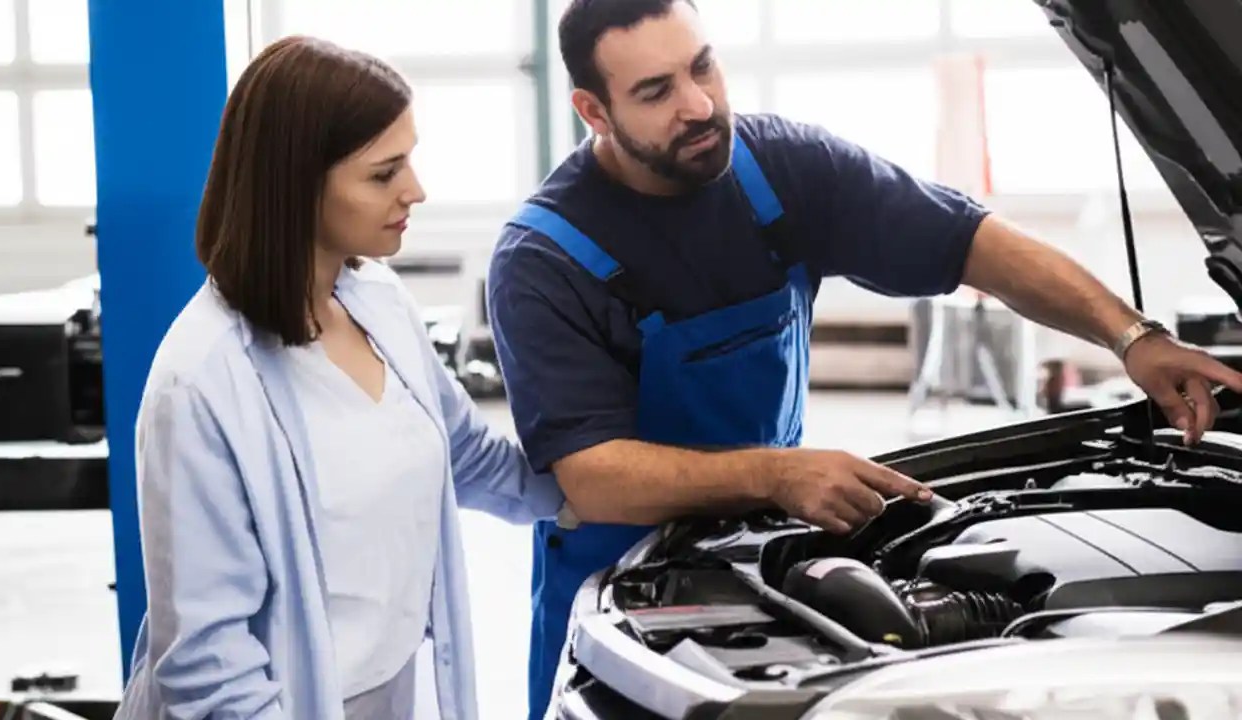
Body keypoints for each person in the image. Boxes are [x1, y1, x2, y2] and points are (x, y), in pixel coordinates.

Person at [485, 1, 1242, 716]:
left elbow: (973, 244)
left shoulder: (780, 169)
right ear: (593, 112)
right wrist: (778, 474)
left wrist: (1131, 336)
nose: (700, 105)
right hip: (618, 592)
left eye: (703, 67)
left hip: (759, 539)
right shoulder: (545, 259)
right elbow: (594, 473)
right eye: (656, 92)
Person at [113, 35, 564, 720]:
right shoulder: (201, 382)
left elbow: (470, 457)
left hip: (384, 694)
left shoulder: (379, 300)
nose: (415, 189)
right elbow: (209, 670)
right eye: (384, 174)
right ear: (296, 187)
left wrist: (609, 484)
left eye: (408, 160)